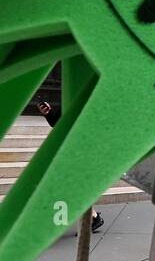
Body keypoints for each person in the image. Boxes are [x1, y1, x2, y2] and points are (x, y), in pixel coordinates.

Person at [36, 99, 104, 233]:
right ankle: (92, 216)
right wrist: (49, 113)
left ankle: (91, 217)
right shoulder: (73, 90)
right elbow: (61, 121)